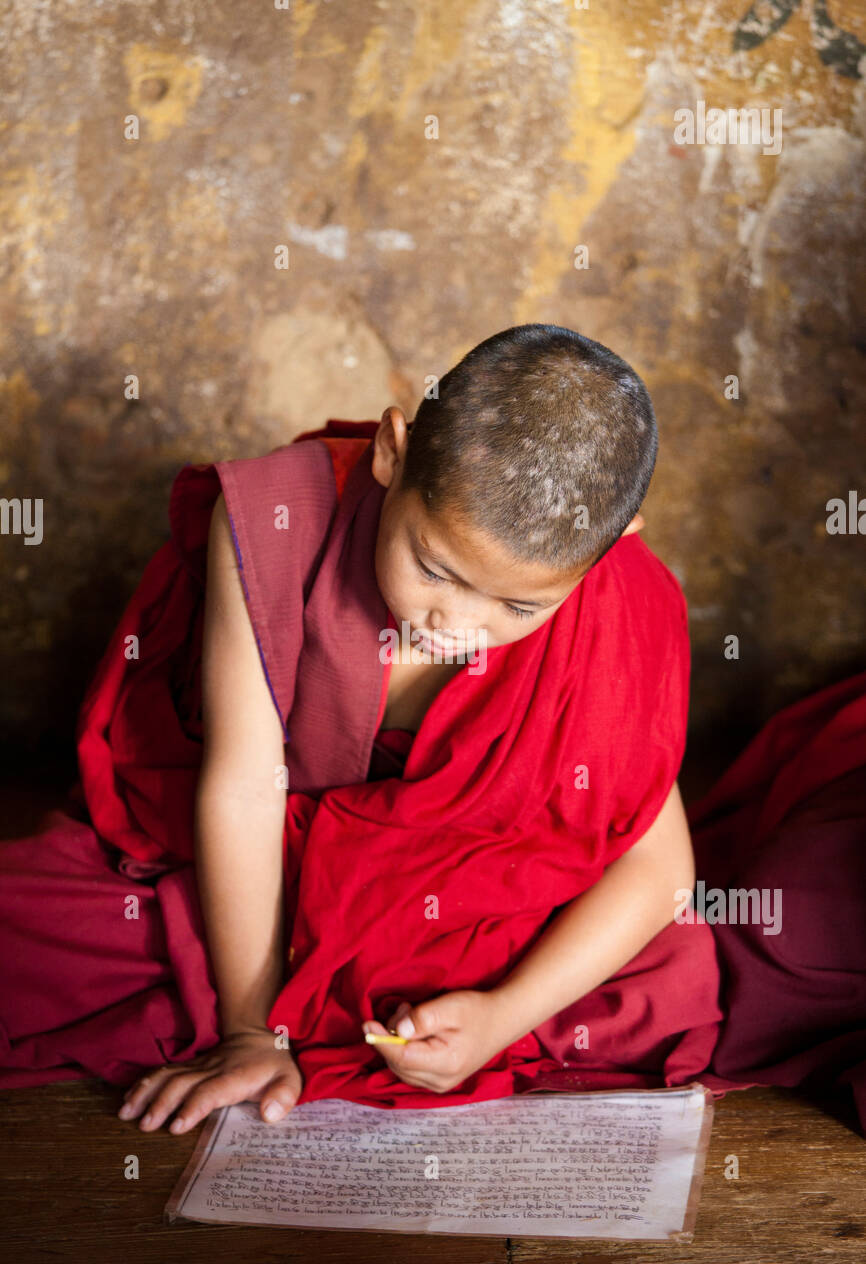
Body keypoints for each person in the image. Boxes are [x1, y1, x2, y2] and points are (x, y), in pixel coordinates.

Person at [0, 324, 726, 1132]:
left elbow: (660, 868)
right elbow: (243, 783)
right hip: (259, 874)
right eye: (433, 567)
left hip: (460, 909)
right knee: (29, 935)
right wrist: (252, 1029)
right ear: (392, 452)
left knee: (672, 974)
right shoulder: (278, 518)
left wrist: (501, 1016)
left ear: (611, 551)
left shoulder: (617, 607)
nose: (456, 622)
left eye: (519, 607)